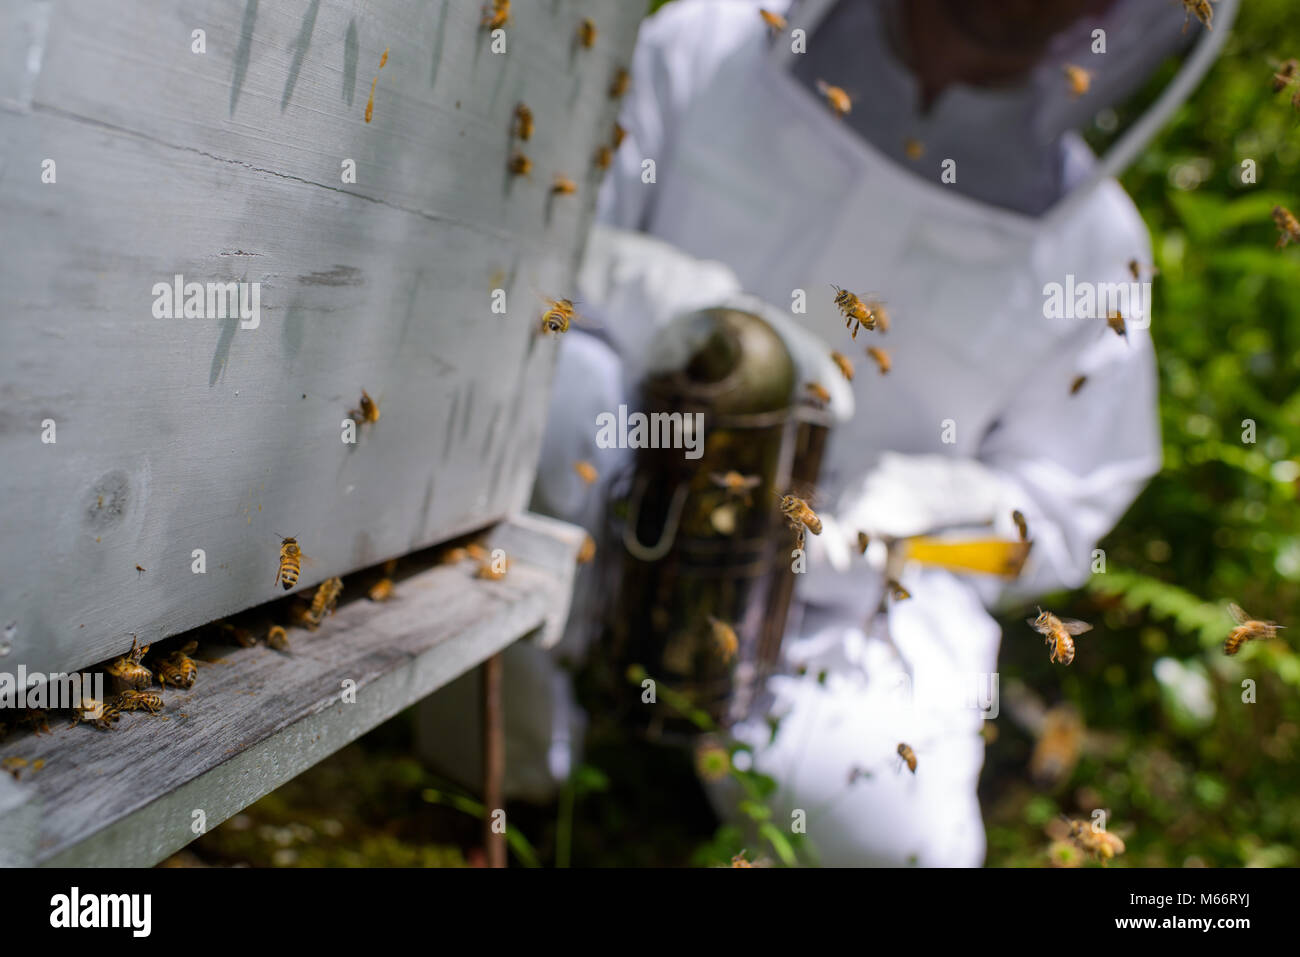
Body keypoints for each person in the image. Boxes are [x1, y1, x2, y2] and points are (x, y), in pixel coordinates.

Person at [505, 0, 1234, 865]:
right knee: (536, 412)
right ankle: (506, 776)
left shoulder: (1095, 247)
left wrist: (936, 513)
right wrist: (651, 294)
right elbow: (533, 239)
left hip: (846, 600)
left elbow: (1062, 505)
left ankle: (728, 759)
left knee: (887, 840)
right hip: (618, 476)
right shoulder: (714, 45)